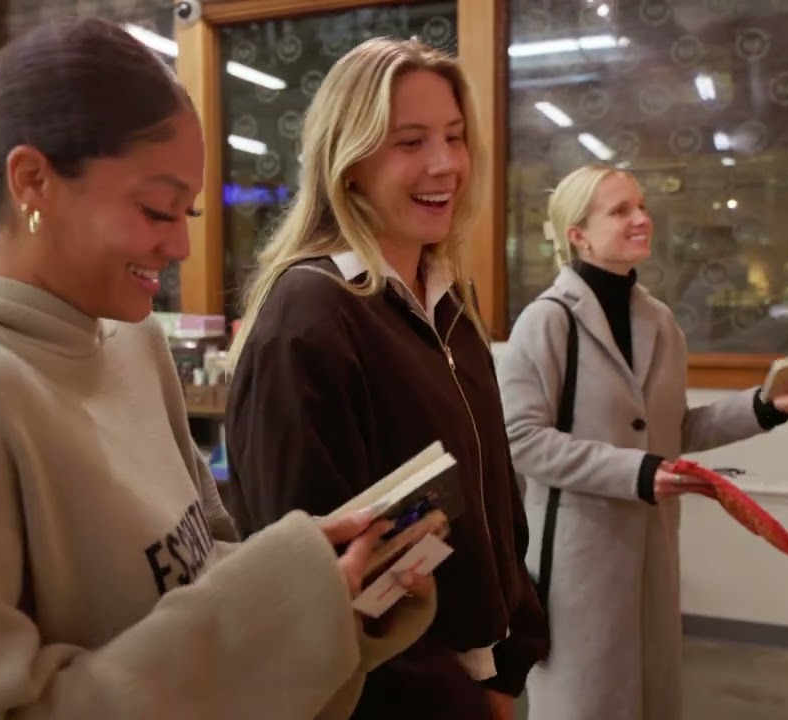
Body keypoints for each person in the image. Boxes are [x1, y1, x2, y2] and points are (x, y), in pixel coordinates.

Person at [0, 17, 440, 720]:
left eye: (190, 211)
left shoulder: (133, 342)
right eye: (155, 210)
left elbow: (204, 561)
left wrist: (328, 597)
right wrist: (279, 610)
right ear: (33, 181)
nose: (180, 245)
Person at [223, 37, 547, 720]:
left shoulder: (450, 298)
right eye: (409, 142)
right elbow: (312, 572)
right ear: (349, 164)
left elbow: (492, 489)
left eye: (454, 137)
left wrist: (510, 655)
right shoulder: (310, 317)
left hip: (481, 675)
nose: (444, 164)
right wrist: (455, 697)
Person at [497, 163, 788, 720]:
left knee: (651, 699)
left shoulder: (658, 320)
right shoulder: (546, 322)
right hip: (579, 554)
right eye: (621, 210)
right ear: (577, 233)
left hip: (653, 547)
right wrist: (634, 471)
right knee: (585, 703)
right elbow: (522, 440)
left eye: (642, 206)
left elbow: (674, 430)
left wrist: (767, 405)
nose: (642, 219)